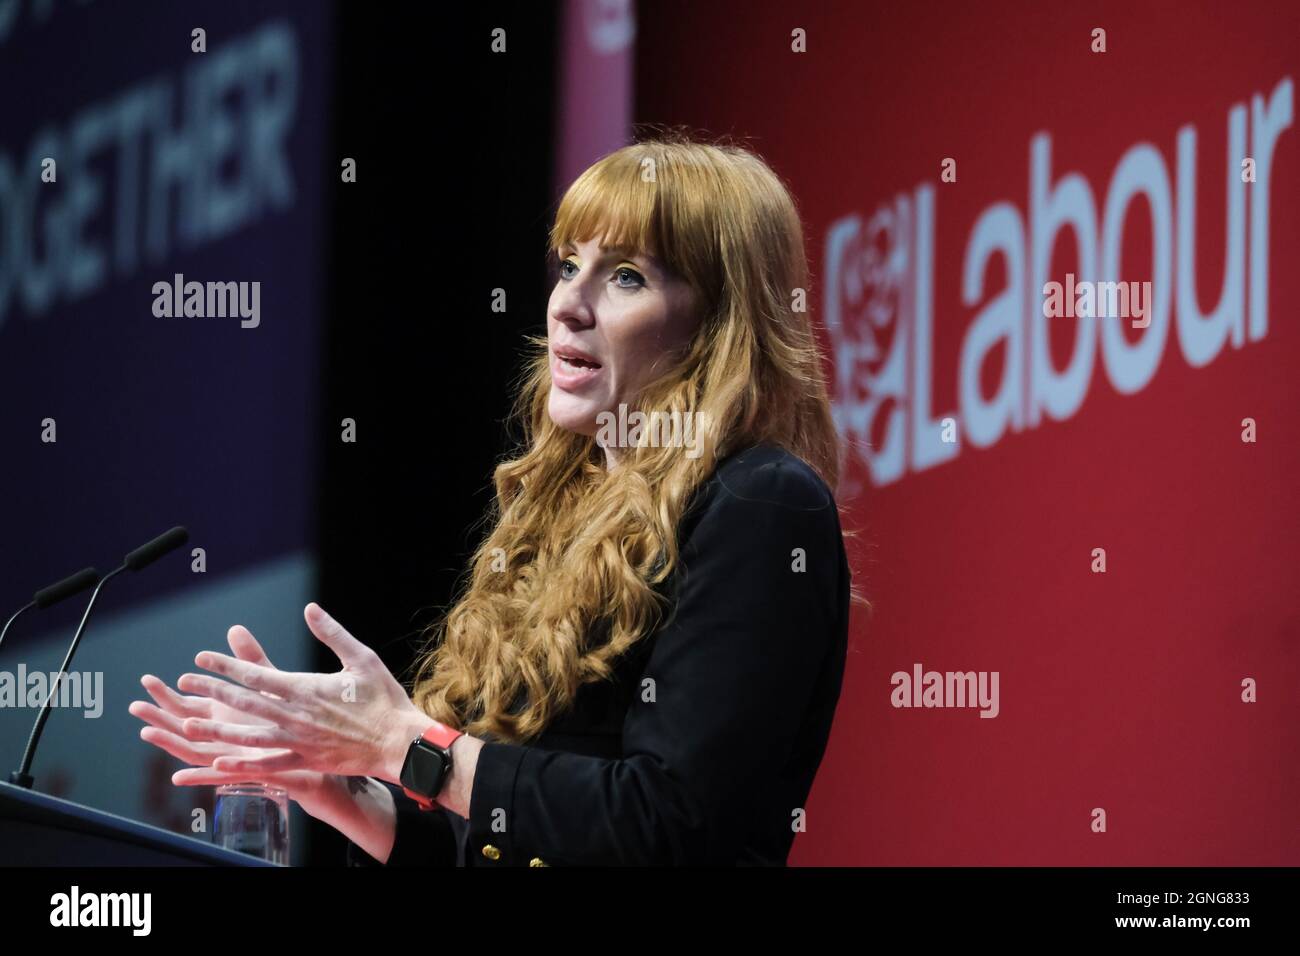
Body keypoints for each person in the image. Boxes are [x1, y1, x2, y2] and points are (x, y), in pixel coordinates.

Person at [129, 134, 858, 866]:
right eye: (569, 265)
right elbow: (509, 838)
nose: (570, 303)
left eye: (628, 276)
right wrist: (347, 790)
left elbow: (670, 824)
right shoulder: (553, 520)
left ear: (719, 327)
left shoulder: (761, 506)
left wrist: (407, 744)